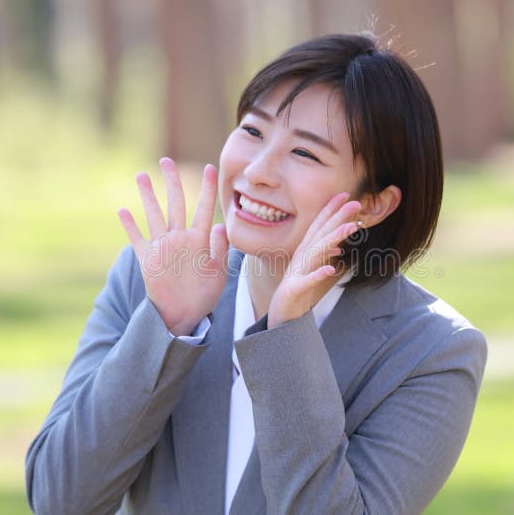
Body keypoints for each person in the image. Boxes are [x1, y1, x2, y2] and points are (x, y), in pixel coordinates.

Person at [25, 33, 487, 515]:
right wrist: (168, 323)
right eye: (253, 131)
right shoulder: (150, 280)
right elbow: (60, 501)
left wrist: (287, 334)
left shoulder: (432, 353)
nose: (259, 170)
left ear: (372, 204)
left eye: (305, 154)